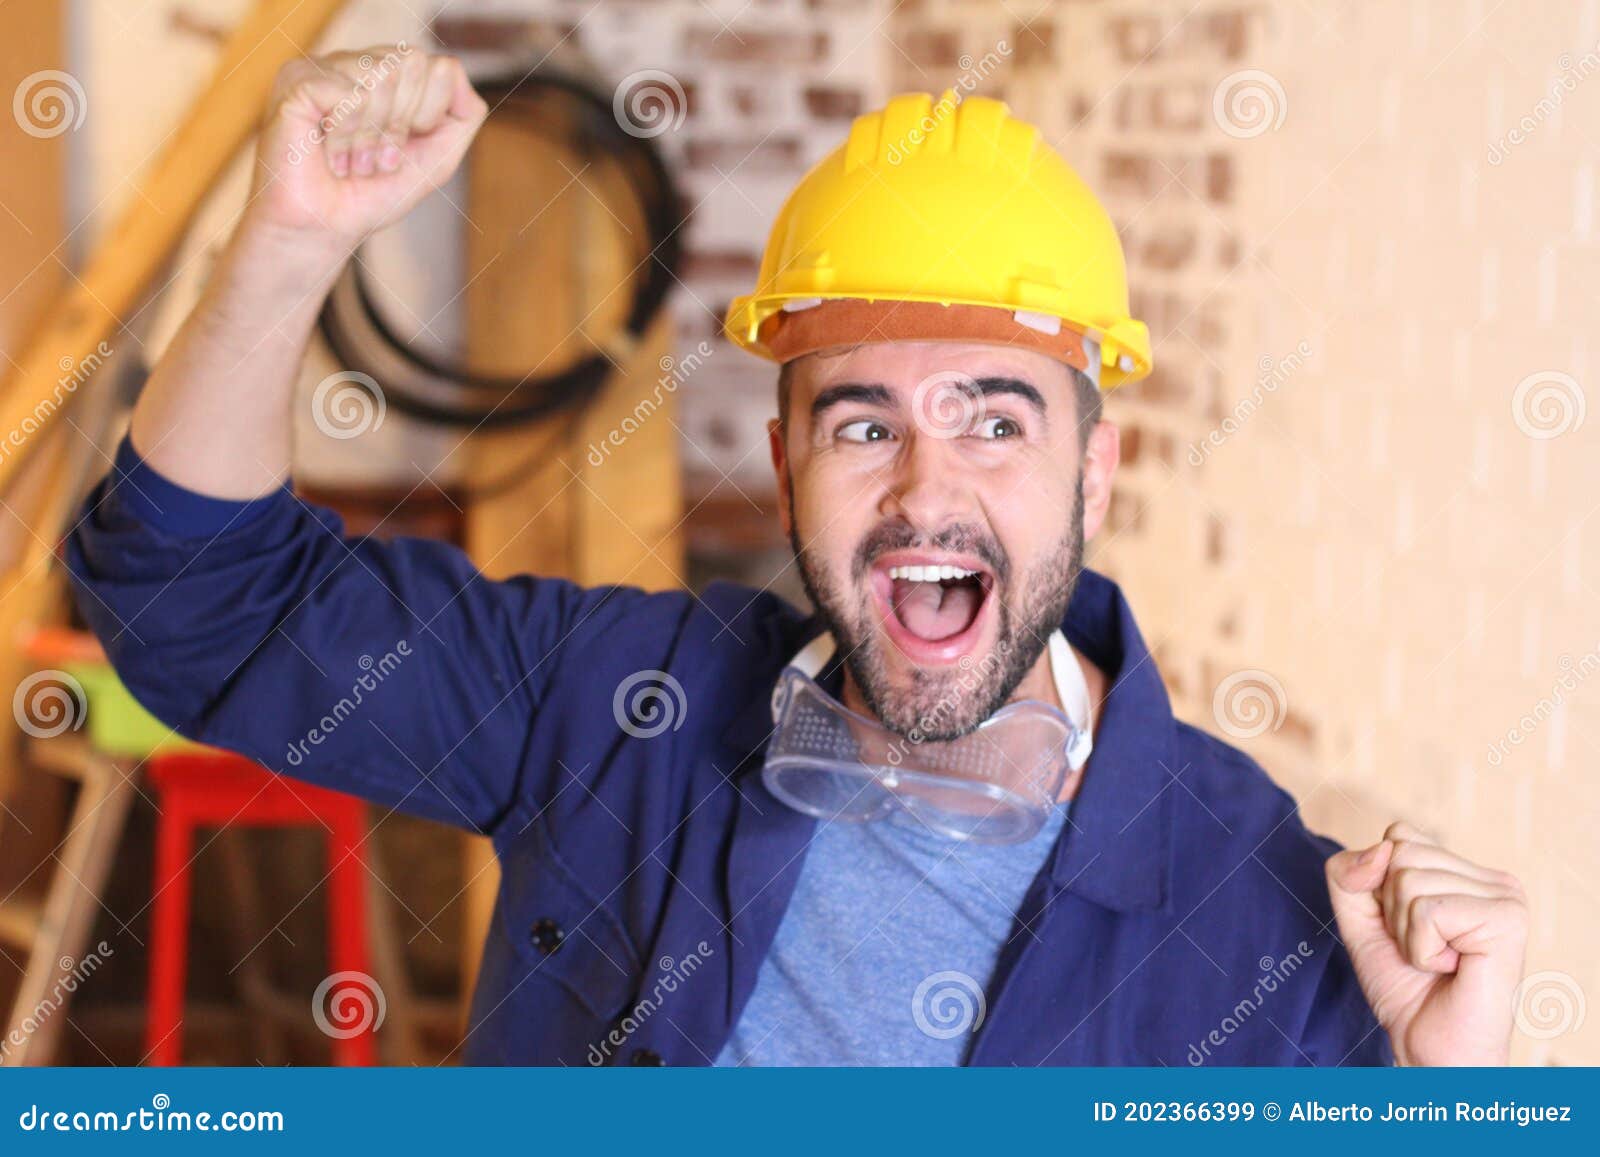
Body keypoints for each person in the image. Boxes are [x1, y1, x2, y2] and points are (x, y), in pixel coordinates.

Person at [65, 46, 1528, 1066]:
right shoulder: (614, 708)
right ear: (783, 462)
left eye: (994, 422)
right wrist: (287, 239)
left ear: (1097, 472)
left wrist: (1446, 1088)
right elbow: (202, 602)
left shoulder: (1256, 906)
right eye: (860, 421)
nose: (923, 491)